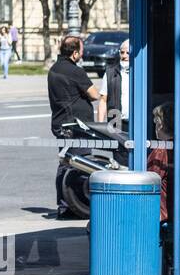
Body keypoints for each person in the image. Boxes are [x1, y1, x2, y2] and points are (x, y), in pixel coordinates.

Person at [48, 34, 100, 218]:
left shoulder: (54, 69)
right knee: (80, 165)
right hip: (76, 126)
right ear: (75, 53)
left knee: (64, 164)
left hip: (61, 123)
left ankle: (63, 205)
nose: (83, 54)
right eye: (82, 51)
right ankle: (75, 206)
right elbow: (94, 94)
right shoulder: (74, 71)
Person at [97, 39, 130, 125]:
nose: (124, 56)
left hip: (136, 121)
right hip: (116, 121)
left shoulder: (140, 73)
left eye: (128, 53)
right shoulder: (110, 73)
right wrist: (100, 124)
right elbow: (103, 100)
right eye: (122, 52)